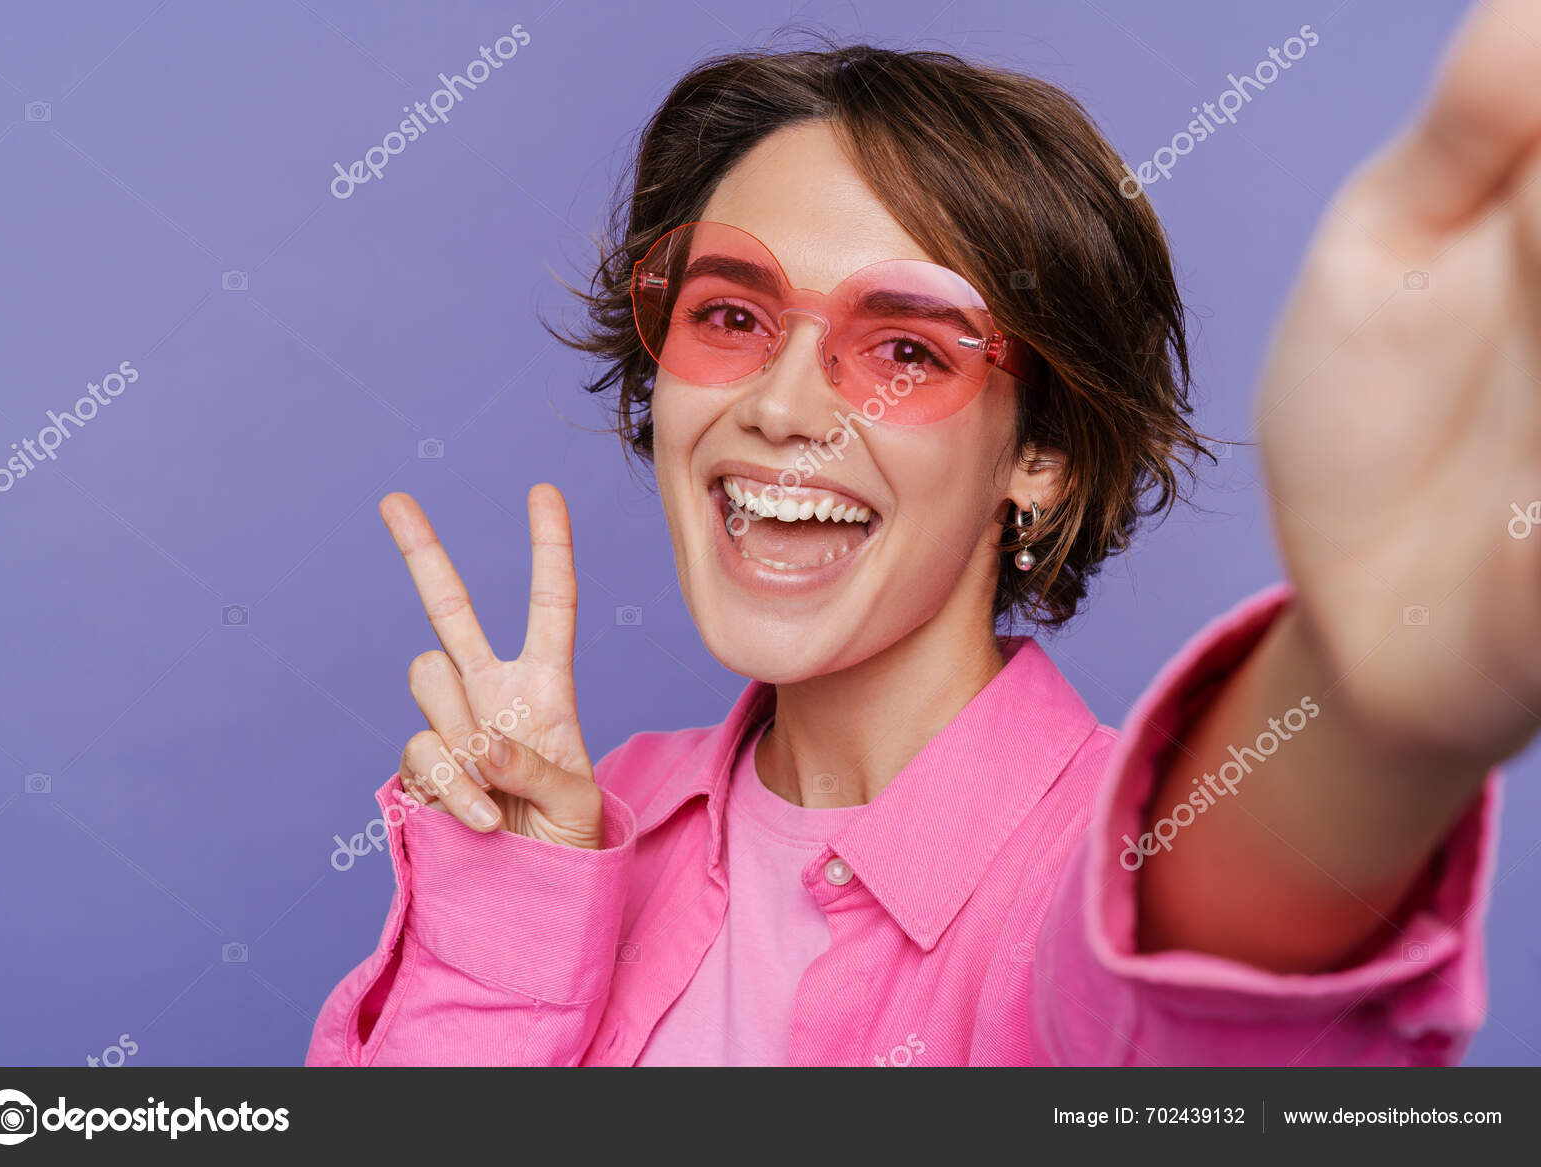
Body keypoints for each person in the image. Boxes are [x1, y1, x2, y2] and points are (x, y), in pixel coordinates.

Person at [307, 2, 1541, 1065]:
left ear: (1040, 456)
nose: (780, 407)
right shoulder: (589, 815)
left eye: (905, 348)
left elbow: (1198, 979)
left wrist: (1358, 706)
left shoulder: (1125, 857)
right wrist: (511, 935)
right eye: (730, 314)